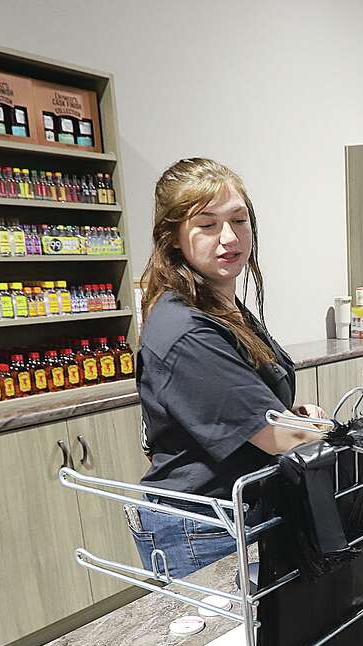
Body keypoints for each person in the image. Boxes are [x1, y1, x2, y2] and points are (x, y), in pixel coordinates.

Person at [128, 158, 326, 578]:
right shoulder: (185, 330)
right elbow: (279, 437)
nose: (229, 237)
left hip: (243, 506)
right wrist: (348, 436)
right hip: (203, 528)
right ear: (173, 237)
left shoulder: (221, 305)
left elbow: (252, 409)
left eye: (239, 220)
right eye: (207, 225)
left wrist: (295, 418)